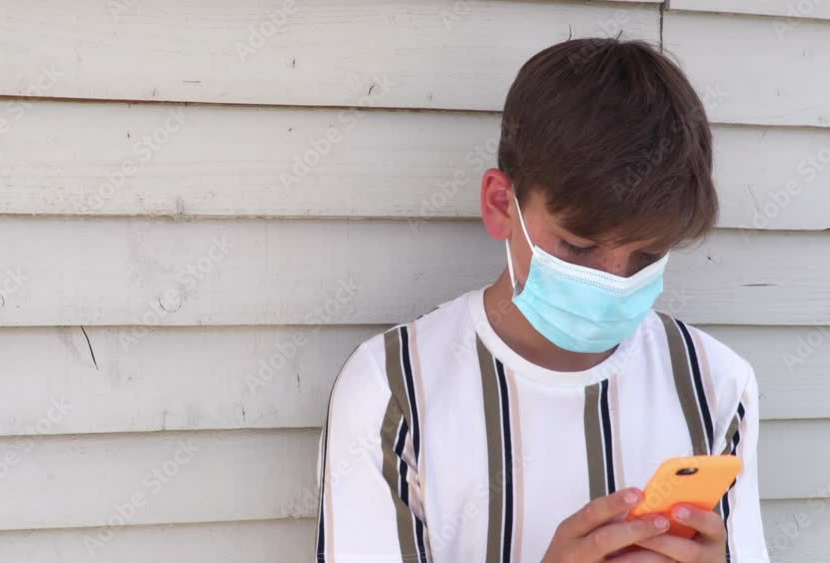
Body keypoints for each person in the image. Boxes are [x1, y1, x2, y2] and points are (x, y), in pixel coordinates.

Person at [313, 37, 770, 563]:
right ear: (500, 204)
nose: (614, 280)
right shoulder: (394, 389)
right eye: (577, 246)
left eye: (647, 255)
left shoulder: (716, 384)